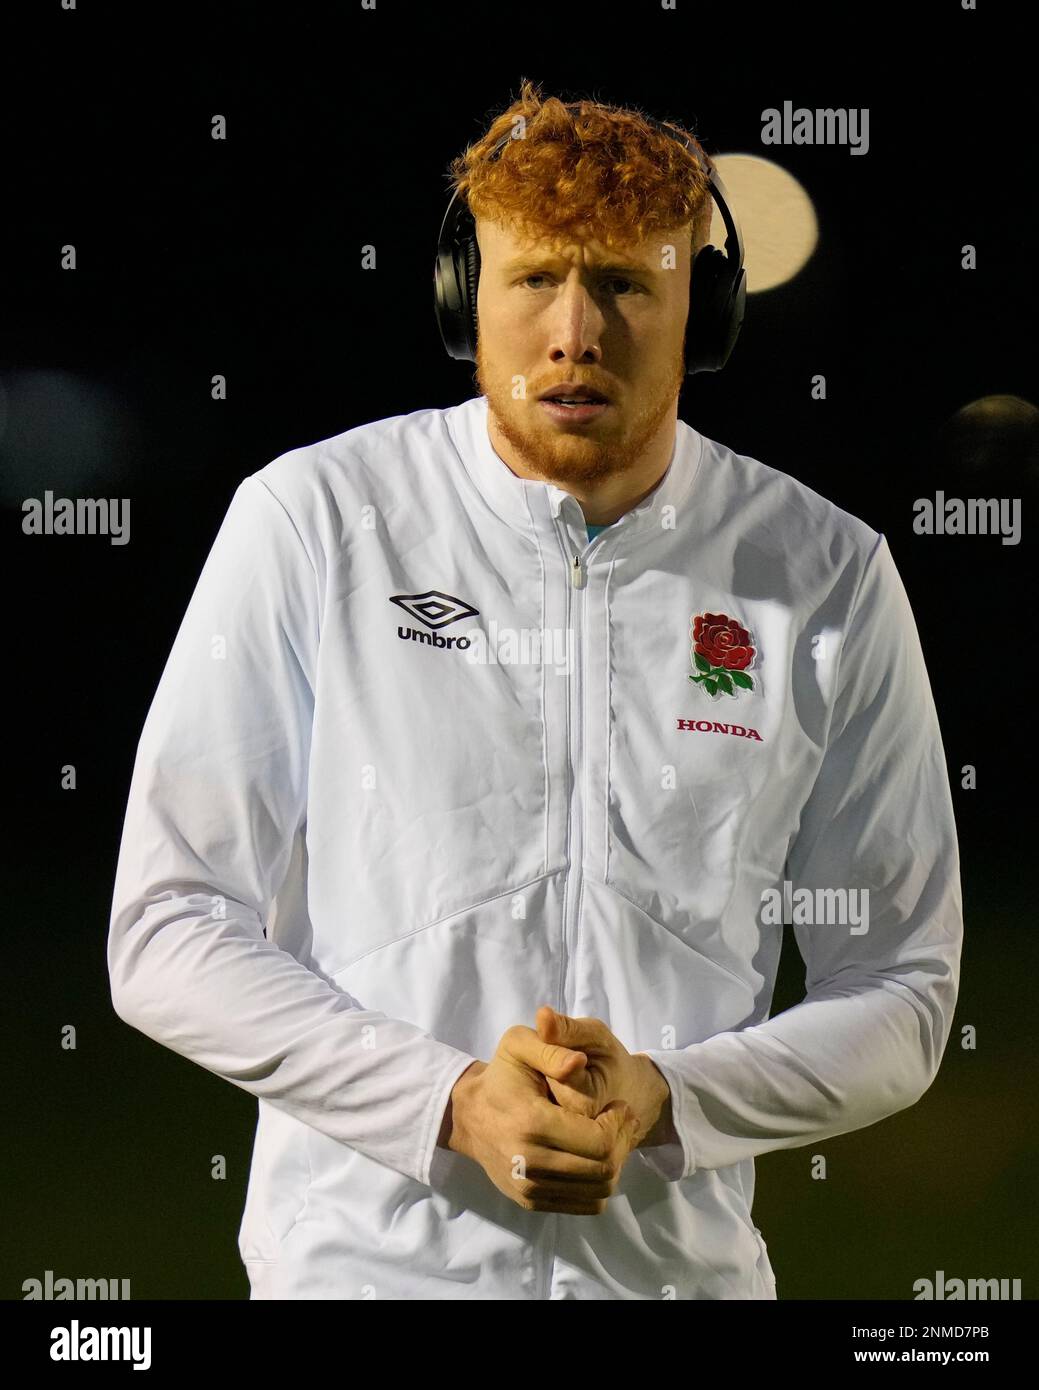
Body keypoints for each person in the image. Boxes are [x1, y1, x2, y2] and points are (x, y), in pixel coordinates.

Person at [107, 79, 963, 1300]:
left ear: (700, 311)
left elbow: (902, 990)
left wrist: (673, 1098)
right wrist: (446, 1101)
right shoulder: (317, 522)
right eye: (532, 280)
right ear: (466, 300)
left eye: (622, 282)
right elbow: (167, 928)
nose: (574, 332)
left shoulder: (824, 573)